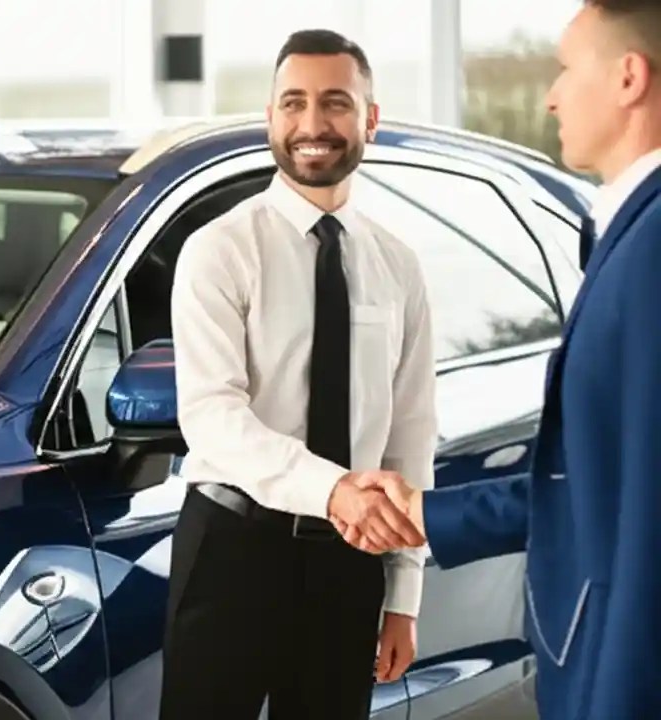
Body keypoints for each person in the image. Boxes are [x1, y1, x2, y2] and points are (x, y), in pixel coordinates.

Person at [338, 1, 661, 718]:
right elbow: (587, 485)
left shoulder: (654, 248)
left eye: (567, 69)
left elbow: (649, 524)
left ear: (628, 77)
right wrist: (425, 511)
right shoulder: (631, 232)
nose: (552, 96)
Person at [160, 28, 436, 719]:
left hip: (350, 563)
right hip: (232, 554)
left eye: (336, 102)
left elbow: (409, 436)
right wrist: (333, 490)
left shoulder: (398, 265)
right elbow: (212, 418)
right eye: (293, 103)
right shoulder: (219, 251)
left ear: (370, 118)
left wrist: (403, 595)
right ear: (271, 117)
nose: (313, 124)